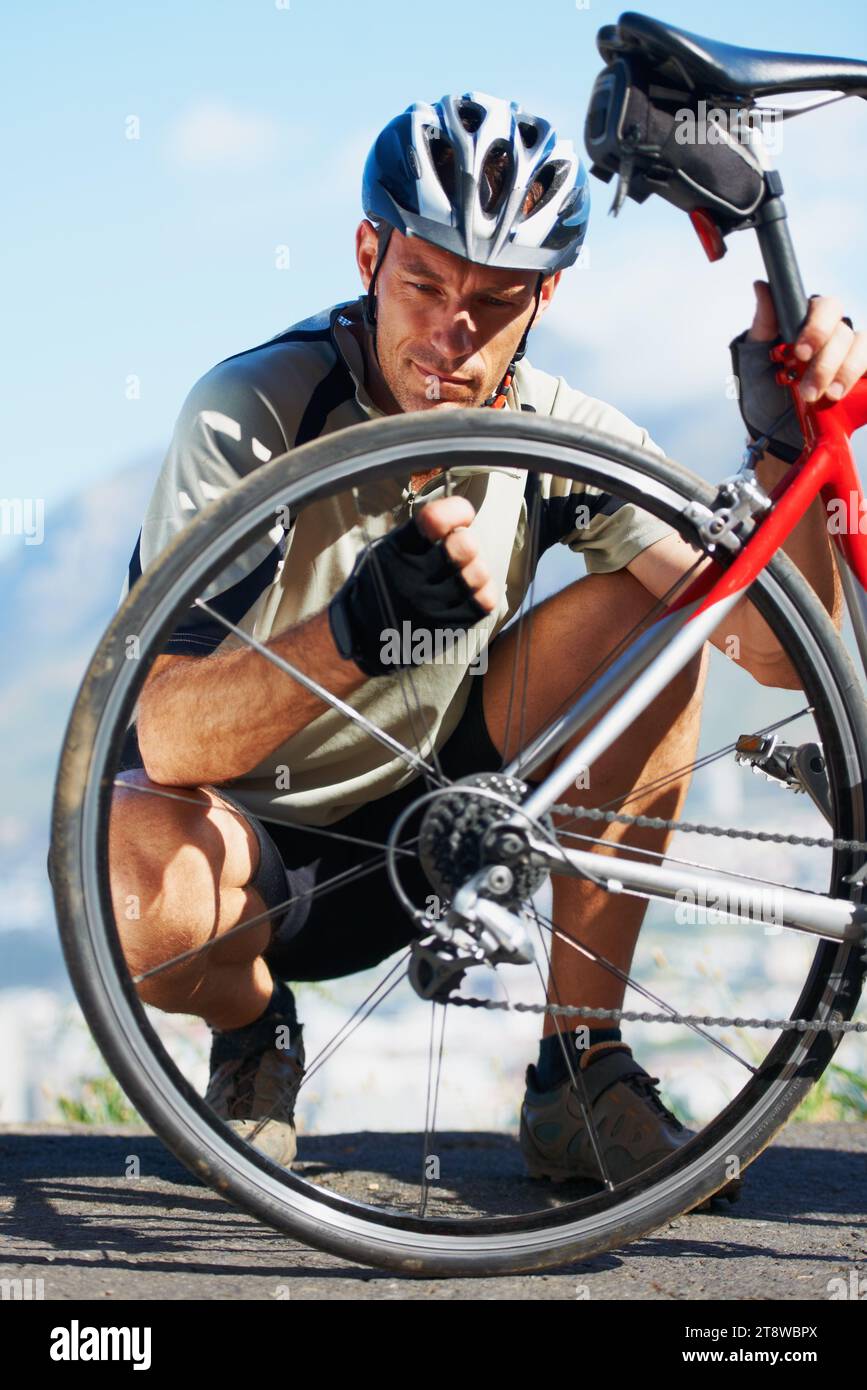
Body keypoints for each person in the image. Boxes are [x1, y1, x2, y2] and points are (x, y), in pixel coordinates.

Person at [109, 90, 862, 1191]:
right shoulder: (253, 413)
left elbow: (774, 648)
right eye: (424, 284)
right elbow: (164, 734)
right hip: (252, 846)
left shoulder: (556, 430)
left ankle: (580, 1068)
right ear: (368, 252)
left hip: (442, 827)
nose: (452, 332)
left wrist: (785, 458)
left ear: (548, 295)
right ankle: (255, 1033)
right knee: (137, 882)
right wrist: (355, 632)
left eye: (497, 301)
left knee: (660, 609)